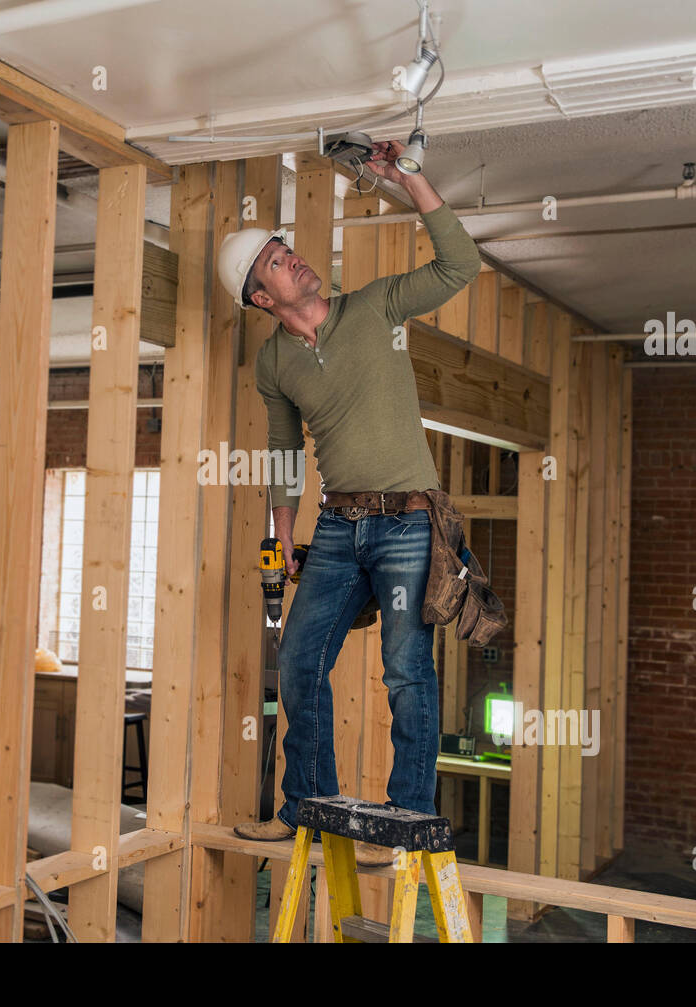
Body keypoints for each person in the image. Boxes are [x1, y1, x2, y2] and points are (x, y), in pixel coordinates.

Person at [217, 140, 482, 866]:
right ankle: (303, 806)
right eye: (275, 262)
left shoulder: (377, 306)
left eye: (287, 249)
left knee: (406, 668)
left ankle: (407, 819)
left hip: (408, 522)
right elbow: (282, 455)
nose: (293, 258)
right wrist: (281, 543)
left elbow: (461, 264)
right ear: (262, 300)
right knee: (299, 661)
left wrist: (410, 179)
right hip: (338, 527)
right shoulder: (274, 363)